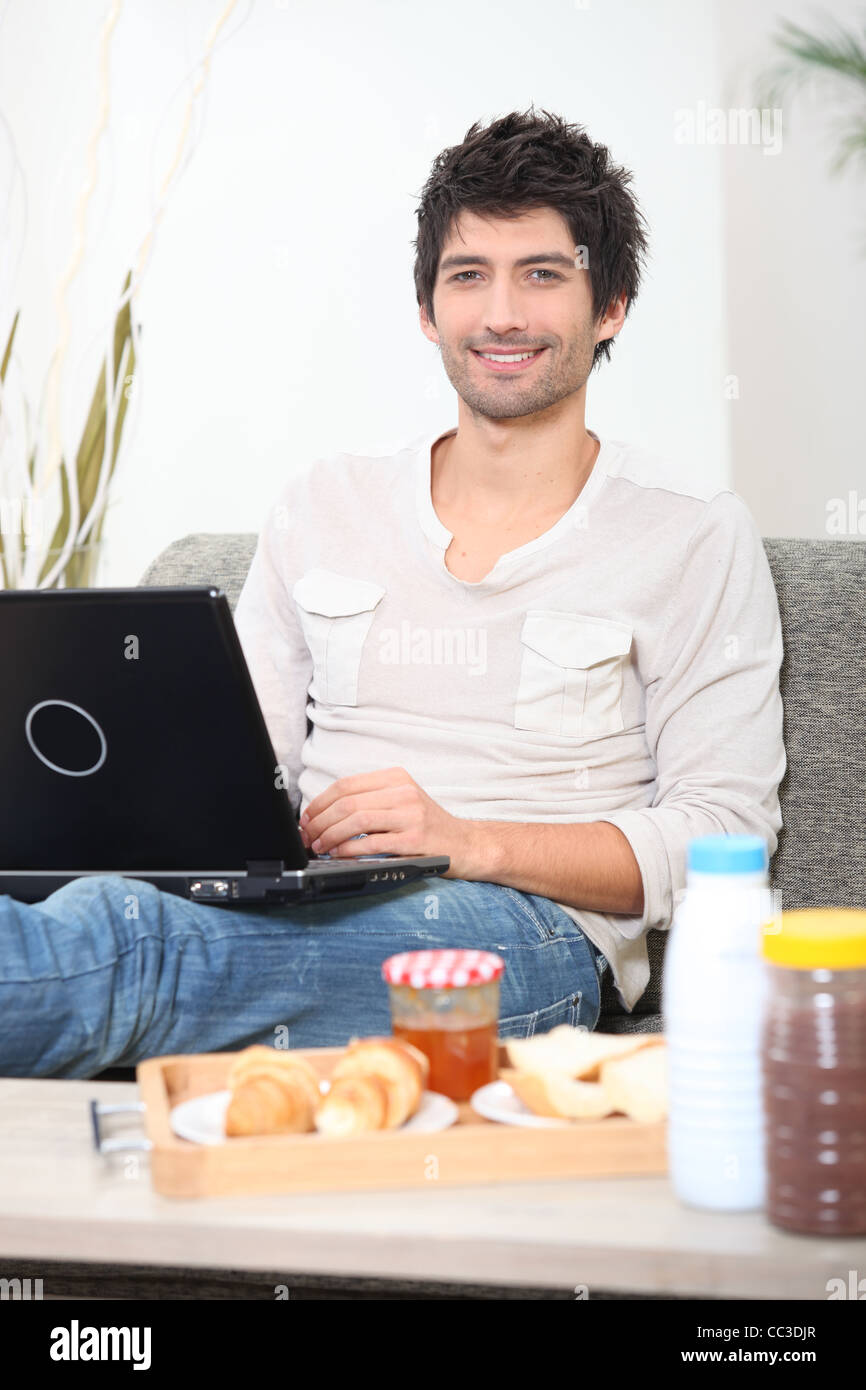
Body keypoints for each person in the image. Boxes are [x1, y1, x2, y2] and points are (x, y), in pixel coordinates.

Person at [0, 107, 785, 1079]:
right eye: (468, 276)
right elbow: (242, 764)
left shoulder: (690, 534)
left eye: (542, 274)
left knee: (137, 954)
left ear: (610, 304)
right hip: (300, 900)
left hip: (526, 936)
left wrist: (467, 842)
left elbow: (723, 832)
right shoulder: (322, 504)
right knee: (109, 922)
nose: (501, 314)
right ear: (427, 312)